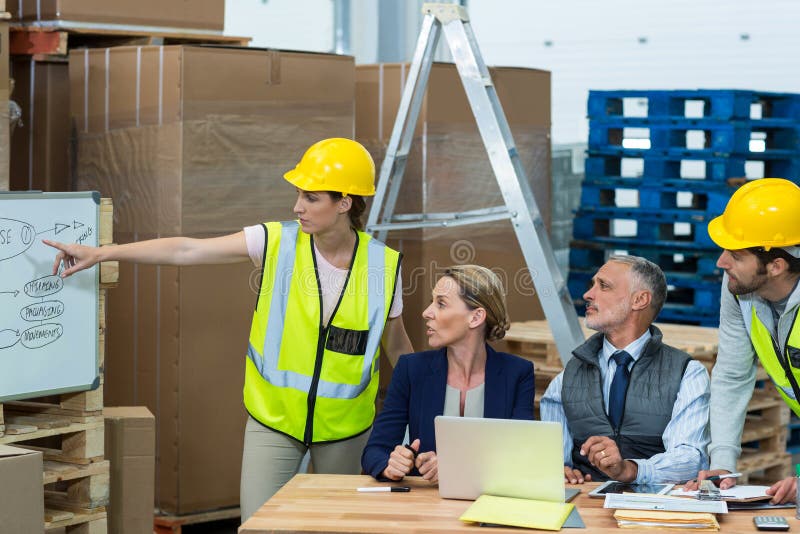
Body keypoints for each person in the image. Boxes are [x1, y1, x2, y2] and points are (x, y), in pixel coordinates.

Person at [43, 138, 414, 521]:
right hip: (274, 424)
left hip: (346, 431)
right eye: (299, 195)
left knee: (335, 530)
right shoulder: (276, 242)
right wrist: (103, 253)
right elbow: (188, 250)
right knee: (258, 526)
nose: (296, 206)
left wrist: (422, 413)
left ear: (345, 203)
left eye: (311, 197)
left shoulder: (384, 267)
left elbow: (398, 347)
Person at [541, 256, 710, 484]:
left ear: (639, 300)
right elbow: (552, 461)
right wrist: (558, 470)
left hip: (655, 511)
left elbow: (691, 460)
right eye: (593, 285)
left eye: (604, 286)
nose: (588, 294)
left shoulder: (687, 374)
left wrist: (630, 470)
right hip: (588, 509)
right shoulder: (567, 378)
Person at [360, 264, 534, 482]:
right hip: (425, 507)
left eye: (440, 304)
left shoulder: (517, 374)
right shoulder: (411, 369)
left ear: (475, 317)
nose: (426, 312)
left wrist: (458, 467)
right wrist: (390, 465)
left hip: (490, 505)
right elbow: (375, 450)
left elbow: (522, 457)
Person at [686, 178, 800, 504]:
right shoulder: (740, 290)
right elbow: (733, 375)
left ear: (776, 265)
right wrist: (722, 462)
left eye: (735, 255)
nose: (721, 262)